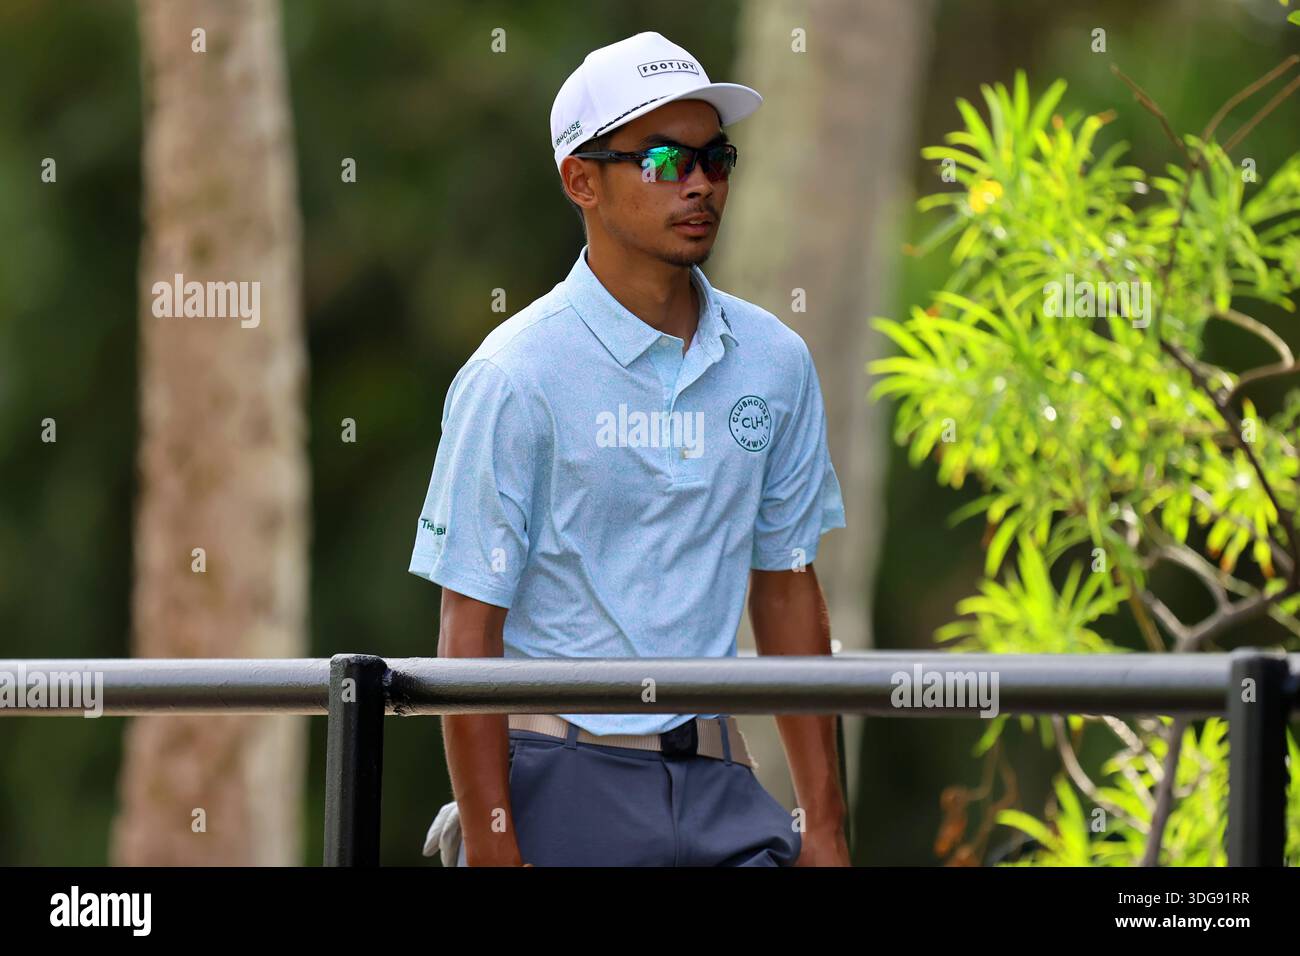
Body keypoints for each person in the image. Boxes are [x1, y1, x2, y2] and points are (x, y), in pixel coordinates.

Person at [410, 30, 849, 867]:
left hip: (724, 786)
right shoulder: (513, 375)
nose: (697, 184)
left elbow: (788, 588)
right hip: (561, 784)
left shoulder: (776, 361)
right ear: (581, 180)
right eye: (662, 160)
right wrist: (497, 848)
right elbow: (468, 631)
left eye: (714, 158)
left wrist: (825, 831)